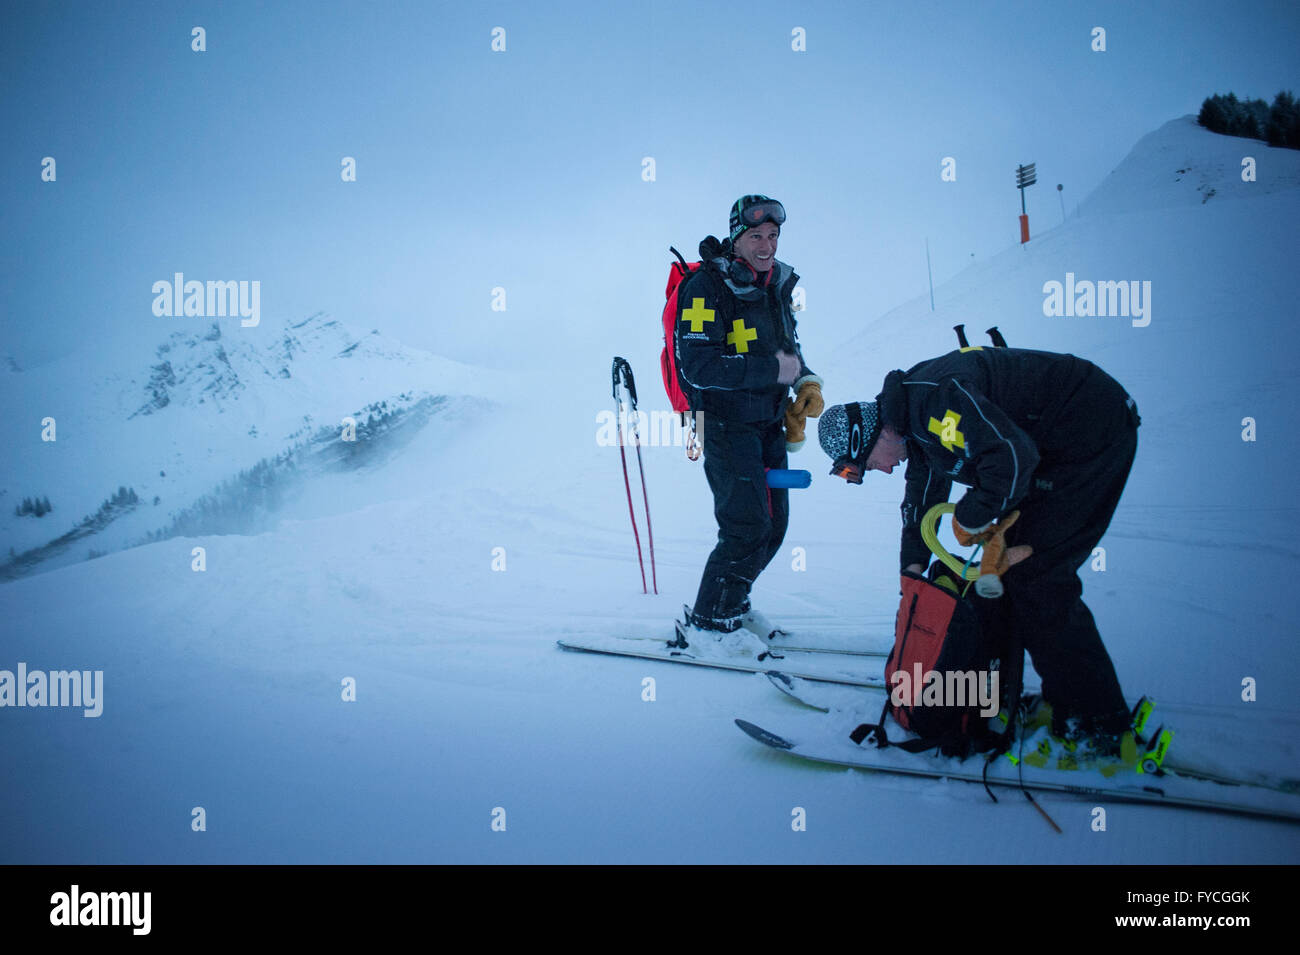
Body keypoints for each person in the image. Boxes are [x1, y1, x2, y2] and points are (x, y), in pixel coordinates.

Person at [817, 345, 1140, 752]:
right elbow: (919, 506)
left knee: (1040, 580)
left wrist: (972, 514)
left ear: (875, 435)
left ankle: (1099, 725)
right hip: (1057, 447)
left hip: (1089, 431)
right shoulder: (913, 426)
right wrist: (912, 572)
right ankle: (1033, 697)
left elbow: (1011, 456)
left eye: (864, 465)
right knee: (1010, 576)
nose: (878, 471)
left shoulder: (933, 404)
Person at [673, 195, 822, 651]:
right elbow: (697, 367)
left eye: (773, 235)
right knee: (745, 527)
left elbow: (784, 349)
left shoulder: (775, 284)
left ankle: (731, 605)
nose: (766, 245)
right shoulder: (705, 288)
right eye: (756, 235)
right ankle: (708, 625)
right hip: (724, 424)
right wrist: (774, 373)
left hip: (769, 425)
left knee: (773, 526)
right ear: (737, 238)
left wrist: (805, 378)